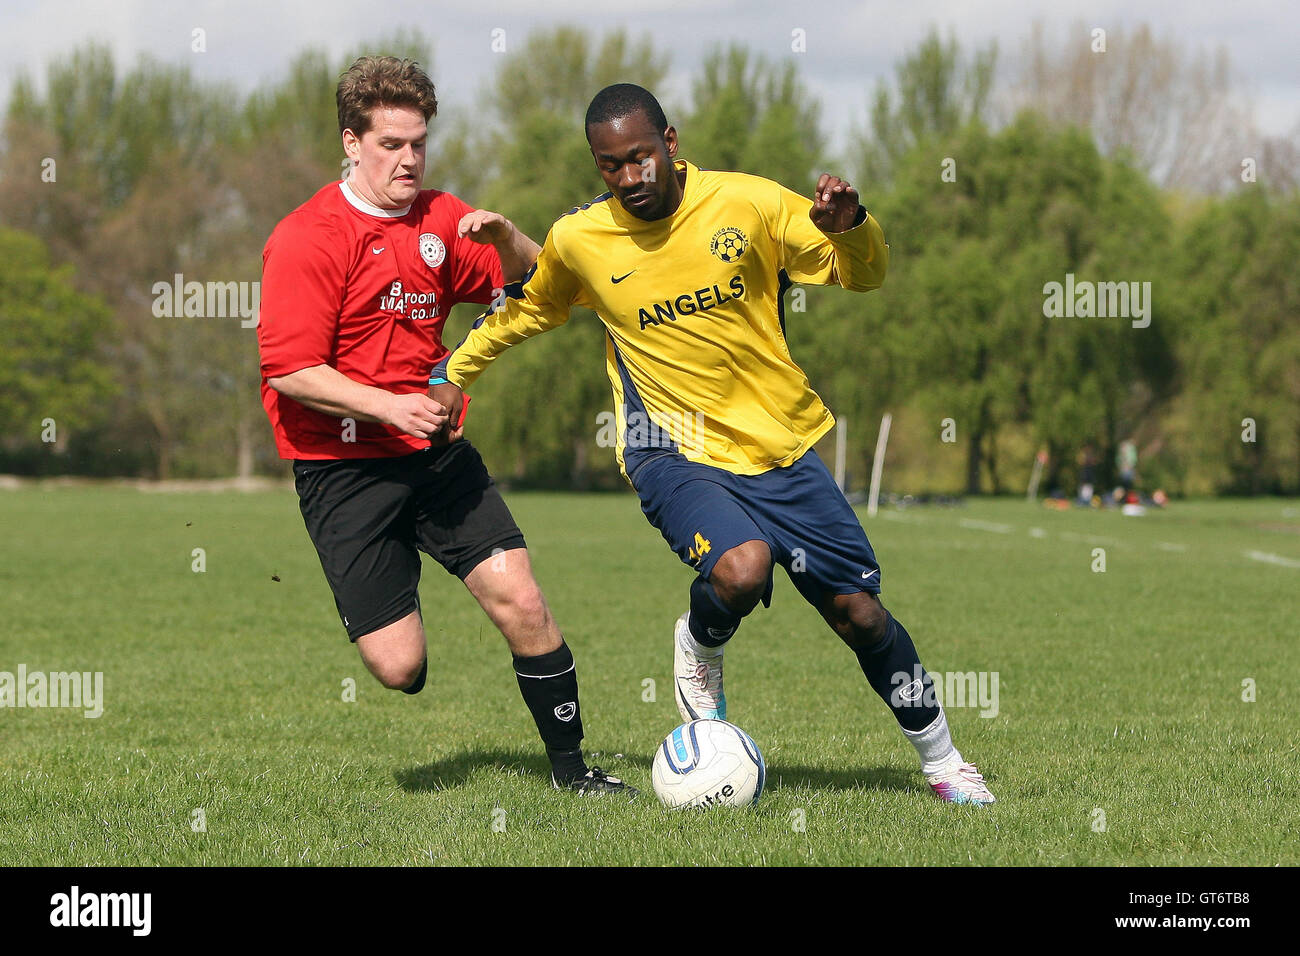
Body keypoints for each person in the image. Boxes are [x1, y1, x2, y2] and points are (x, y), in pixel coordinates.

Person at [429, 84, 995, 804]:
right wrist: (455, 369)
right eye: (610, 166)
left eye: (640, 157)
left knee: (860, 614)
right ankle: (701, 645)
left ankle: (944, 762)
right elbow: (531, 308)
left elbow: (866, 276)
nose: (630, 177)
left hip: (779, 447)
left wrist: (852, 228)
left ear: (670, 143)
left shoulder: (749, 203)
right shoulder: (581, 239)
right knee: (742, 567)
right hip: (668, 447)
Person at [256, 56, 632, 796]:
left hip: (434, 457)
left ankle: (572, 774)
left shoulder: (439, 217)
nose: (408, 158)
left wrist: (510, 238)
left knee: (522, 599)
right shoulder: (307, 237)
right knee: (399, 668)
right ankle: (387, 588)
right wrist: (389, 402)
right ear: (351, 142)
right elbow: (290, 371)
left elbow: (543, 286)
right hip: (342, 469)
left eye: (418, 142)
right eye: (391, 143)